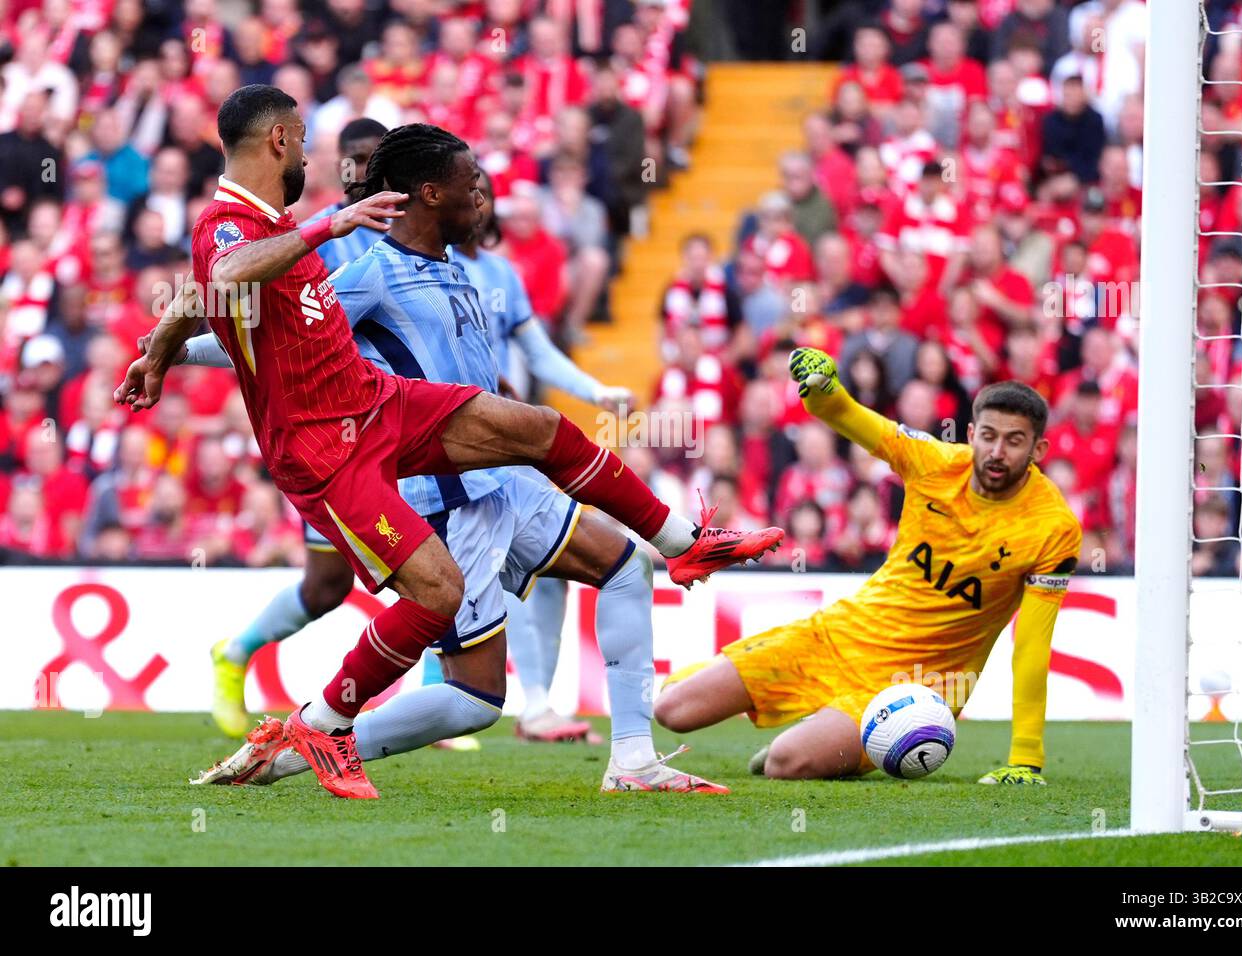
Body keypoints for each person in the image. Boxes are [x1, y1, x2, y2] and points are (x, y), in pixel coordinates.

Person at [115, 87, 784, 799]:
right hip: (405, 477)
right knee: (468, 684)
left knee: (576, 487)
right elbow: (225, 287)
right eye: (473, 188)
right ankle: (310, 734)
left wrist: (161, 348)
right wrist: (178, 351)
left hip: (422, 432)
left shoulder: (434, 262)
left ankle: (658, 655)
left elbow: (208, 300)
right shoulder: (316, 249)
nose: (484, 200)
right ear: (280, 140)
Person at [653, 348, 1082, 785]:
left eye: (1014, 441)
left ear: (1038, 448)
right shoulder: (931, 461)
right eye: (989, 436)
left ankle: (818, 733)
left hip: (916, 687)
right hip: (839, 634)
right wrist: (824, 387)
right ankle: (808, 715)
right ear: (971, 433)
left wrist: (1025, 758)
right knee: (673, 710)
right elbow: (847, 414)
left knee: (784, 763)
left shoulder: (1053, 528)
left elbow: (1031, 644)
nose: (996, 451)